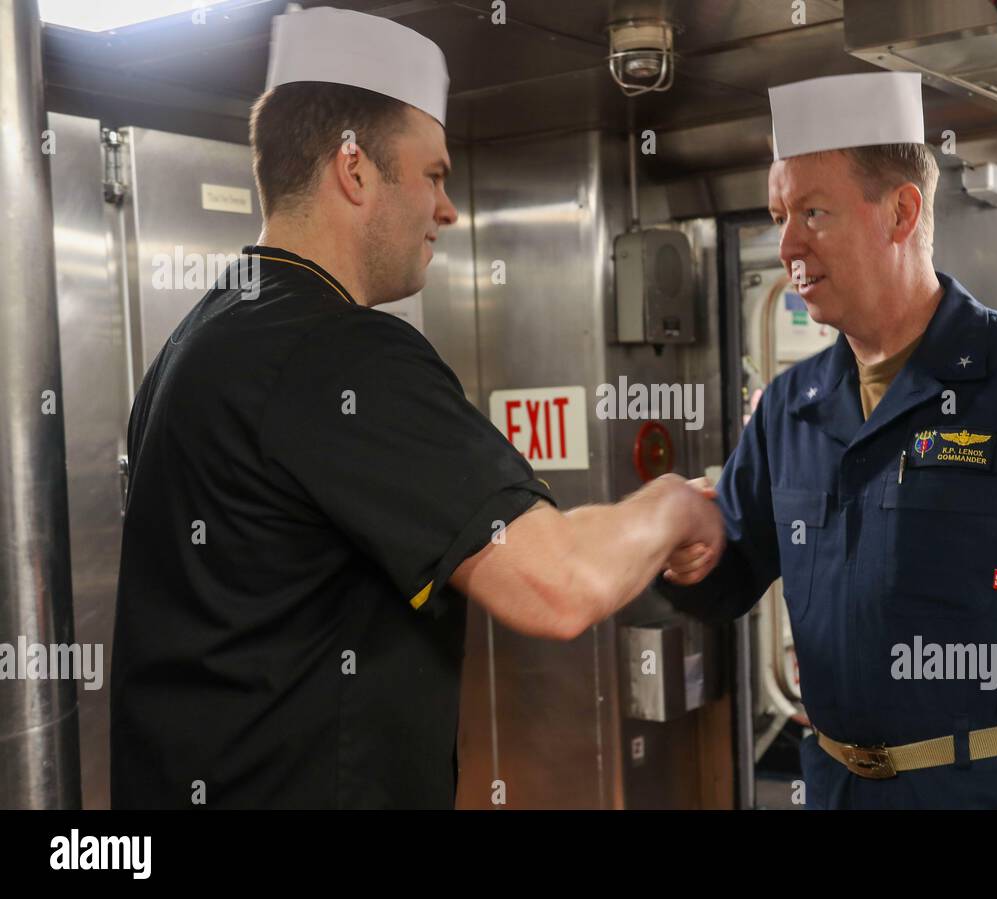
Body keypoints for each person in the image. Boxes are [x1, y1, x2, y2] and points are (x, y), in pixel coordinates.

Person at [110, 6, 723, 810]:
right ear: (355, 169)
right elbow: (557, 582)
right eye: (433, 175)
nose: (448, 210)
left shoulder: (196, 343)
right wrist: (679, 504)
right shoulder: (344, 351)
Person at [659, 72, 997, 809]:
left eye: (813, 212)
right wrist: (686, 553)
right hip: (835, 790)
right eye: (778, 215)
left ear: (900, 211)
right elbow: (732, 570)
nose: (787, 242)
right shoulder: (794, 404)